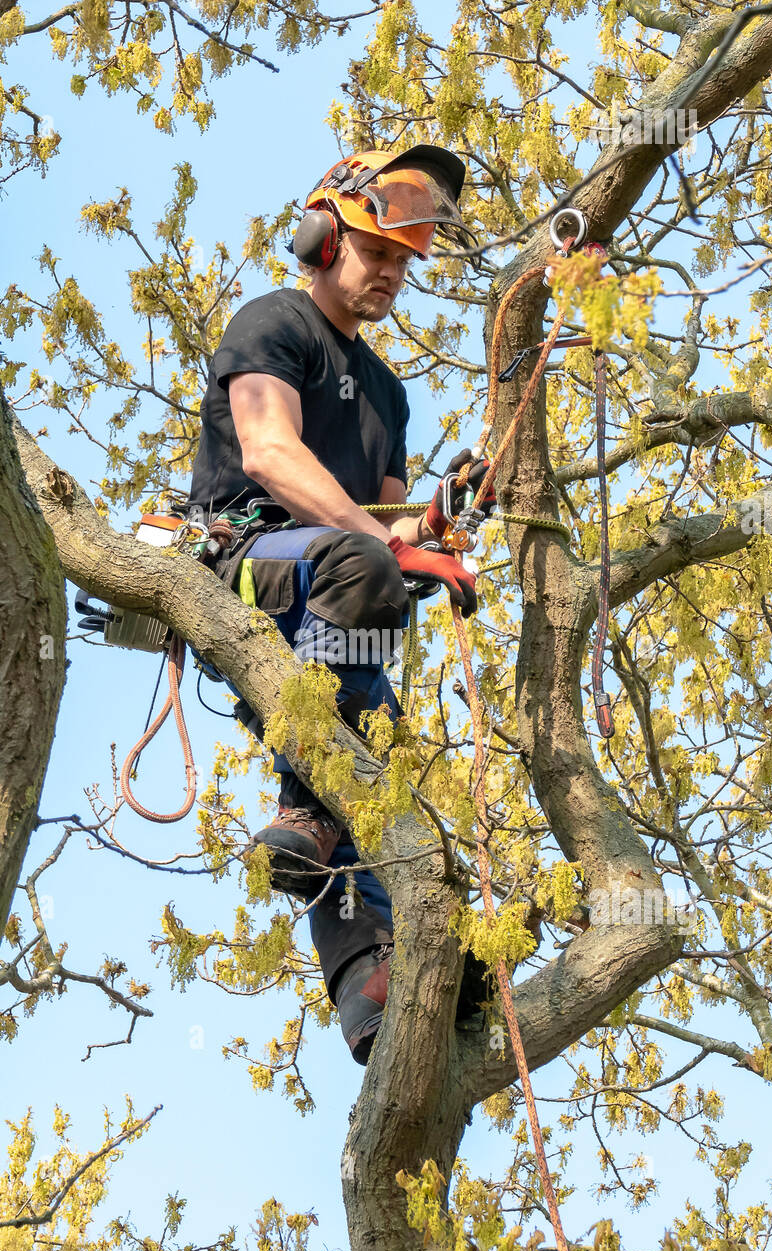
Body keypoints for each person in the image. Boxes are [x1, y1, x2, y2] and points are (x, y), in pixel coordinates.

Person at [187, 146, 493, 1062]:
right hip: (250, 561)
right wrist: (388, 543)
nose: (392, 276)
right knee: (360, 562)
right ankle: (300, 799)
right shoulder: (273, 324)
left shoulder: (390, 396)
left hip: (341, 605)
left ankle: (380, 986)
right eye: (376, 255)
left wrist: (433, 527)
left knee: (391, 782)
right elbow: (271, 453)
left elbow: (390, 529)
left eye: (404, 262)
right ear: (321, 240)